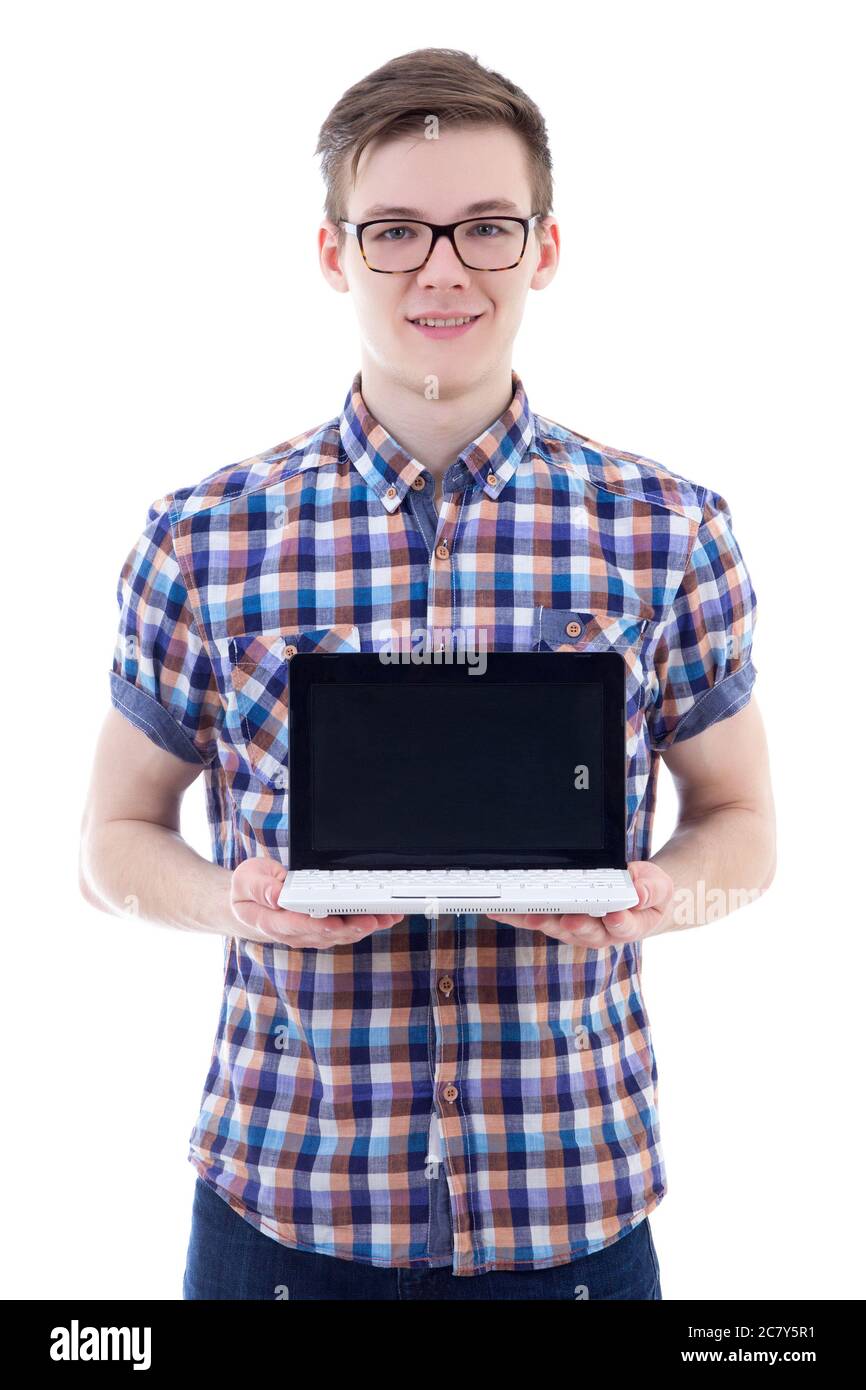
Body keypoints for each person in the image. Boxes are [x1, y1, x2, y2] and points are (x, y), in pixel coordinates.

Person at [79, 47, 776, 1301]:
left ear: (543, 248)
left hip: (571, 1211)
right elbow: (112, 844)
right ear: (334, 252)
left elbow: (745, 829)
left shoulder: (665, 529)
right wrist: (231, 903)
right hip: (280, 1213)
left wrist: (657, 895)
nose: (441, 268)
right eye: (395, 230)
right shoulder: (204, 536)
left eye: (484, 228)